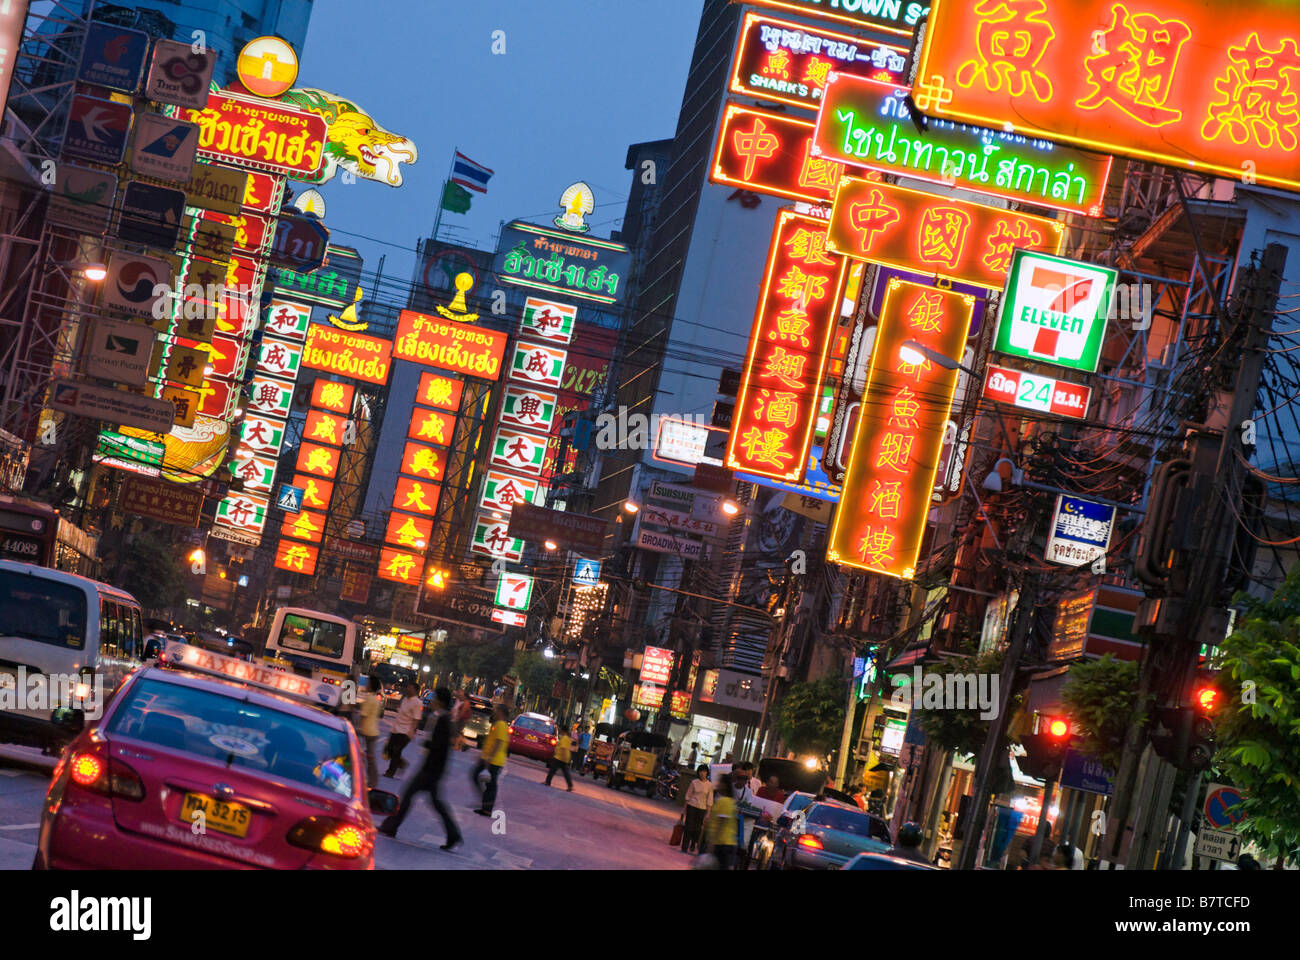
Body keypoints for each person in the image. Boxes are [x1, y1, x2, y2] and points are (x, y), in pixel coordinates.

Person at [378, 688, 462, 850]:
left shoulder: (443, 720)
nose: (432, 701)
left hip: (431, 770)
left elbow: (440, 746)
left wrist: (428, 744)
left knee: (408, 795)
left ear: (440, 701)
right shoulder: (441, 718)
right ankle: (453, 835)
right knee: (435, 803)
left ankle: (391, 826)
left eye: (435, 698)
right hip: (432, 769)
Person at [471, 704, 510, 816]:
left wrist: (490, 757)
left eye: (496, 711)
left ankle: (487, 808)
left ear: (501, 713)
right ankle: (486, 803)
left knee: (491, 784)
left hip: (494, 760)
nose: (494, 712)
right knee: (485, 781)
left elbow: (498, 742)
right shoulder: (497, 724)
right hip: (488, 758)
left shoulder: (501, 725)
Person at [383, 683, 422, 778]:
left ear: (416, 691)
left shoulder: (417, 702)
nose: (408, 689)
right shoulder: (405, 699)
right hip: (396, 728)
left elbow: (417, 719)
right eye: (408, 687)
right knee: (390, 750)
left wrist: (412, 732)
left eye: (410, 688)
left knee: (396, 751)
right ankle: (402, 763)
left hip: (405, 731)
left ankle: (390, 772)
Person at [356, 676, 384, 787]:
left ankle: (371, 781)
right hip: (373, 731)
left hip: (366, 731)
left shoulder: (369, 699)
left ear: (371, 686)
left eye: (368, 683)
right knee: (369, 758)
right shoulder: (375, 699)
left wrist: (356, 728)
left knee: (365, 757)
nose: (366, 685)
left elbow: (363, 716)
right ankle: (371, 781)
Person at [706, 774, 739, 870]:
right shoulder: (727, 801)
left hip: (723, 844)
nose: (717, 784)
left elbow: (721, 824)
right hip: (724, 844)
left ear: (725, 785)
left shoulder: (725, 801)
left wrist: (712, 843)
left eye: (720, 782)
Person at [680, 764, 713, 854]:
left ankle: (693, 843)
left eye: (704, 771)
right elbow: (688, 796)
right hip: (691, 806)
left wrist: (708, 813)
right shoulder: (694, 782)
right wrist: (684, 809)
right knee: (688, 827)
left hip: (702, 809)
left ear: (707, 773)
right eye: (701, 771)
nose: (702, 773)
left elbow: (709, 800)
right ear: (698, 772)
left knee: (697, 829)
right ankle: (684, 847)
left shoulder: (710, 785)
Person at [545, 721, 575, 790]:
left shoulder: (564, 738)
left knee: (552, 770)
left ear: (563, 731)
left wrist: (561, 756)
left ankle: (547, 781)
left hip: (560, 757)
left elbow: (563, 748)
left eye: (561, 730)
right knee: (565, 773)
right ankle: (570, 785)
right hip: (564, 758)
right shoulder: (567, 738)